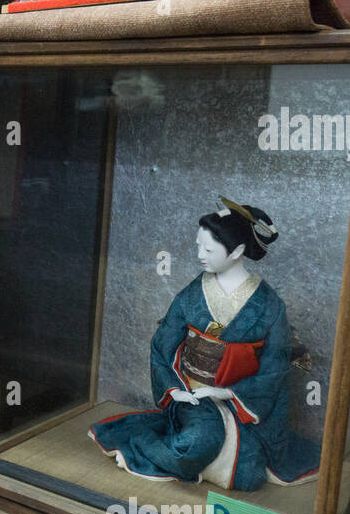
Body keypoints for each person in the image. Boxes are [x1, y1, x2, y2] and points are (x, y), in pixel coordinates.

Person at [88, 198, 320, 491]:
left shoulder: (270, 305)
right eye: (198, 245)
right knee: (195, 445)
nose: (199, 255)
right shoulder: (193, 294)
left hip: (243, 402)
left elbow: (274, 370)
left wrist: (225, 393)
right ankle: (139, 443)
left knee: (248, 477)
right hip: (194, 394)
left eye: (208, 249)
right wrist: (176, 390)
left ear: (237, 251)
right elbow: (162, 347)